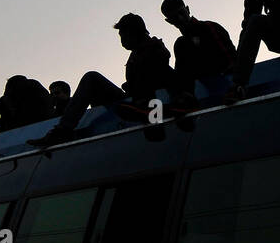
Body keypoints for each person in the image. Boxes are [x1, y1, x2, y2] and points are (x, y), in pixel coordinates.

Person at [28, 14, 176, 147]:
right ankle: (62, 130)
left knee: (91, 78)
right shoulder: (138, 53)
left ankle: (62, 131)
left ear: (133, 33)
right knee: (92, 80)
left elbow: (155, 81)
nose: (121, 41)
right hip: (134, 102)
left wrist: (151, 116)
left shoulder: (154, 50)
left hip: (143, 106)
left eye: (122, 35)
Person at [160, 0, 237, 105]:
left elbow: (231, 59)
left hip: (224, 82)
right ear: (169, 21)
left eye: (181, 13)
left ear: (187, 9)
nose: (180, 18)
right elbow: (181, 73)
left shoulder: (209, 27)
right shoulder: (180, 44)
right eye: (174, 17)